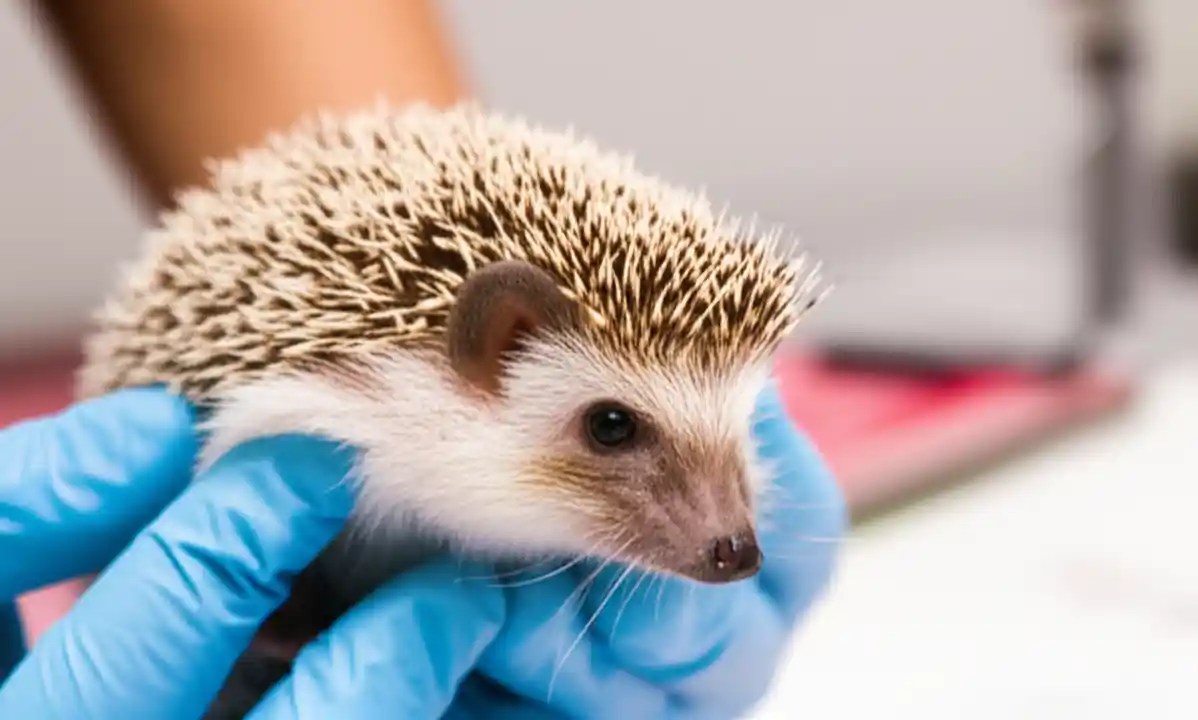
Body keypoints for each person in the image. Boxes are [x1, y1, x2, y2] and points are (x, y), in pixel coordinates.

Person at [1, 2, 847, 717]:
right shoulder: (365, 400)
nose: (727, 531)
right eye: (614, 426)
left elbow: (402, 203)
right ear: (498, 349)